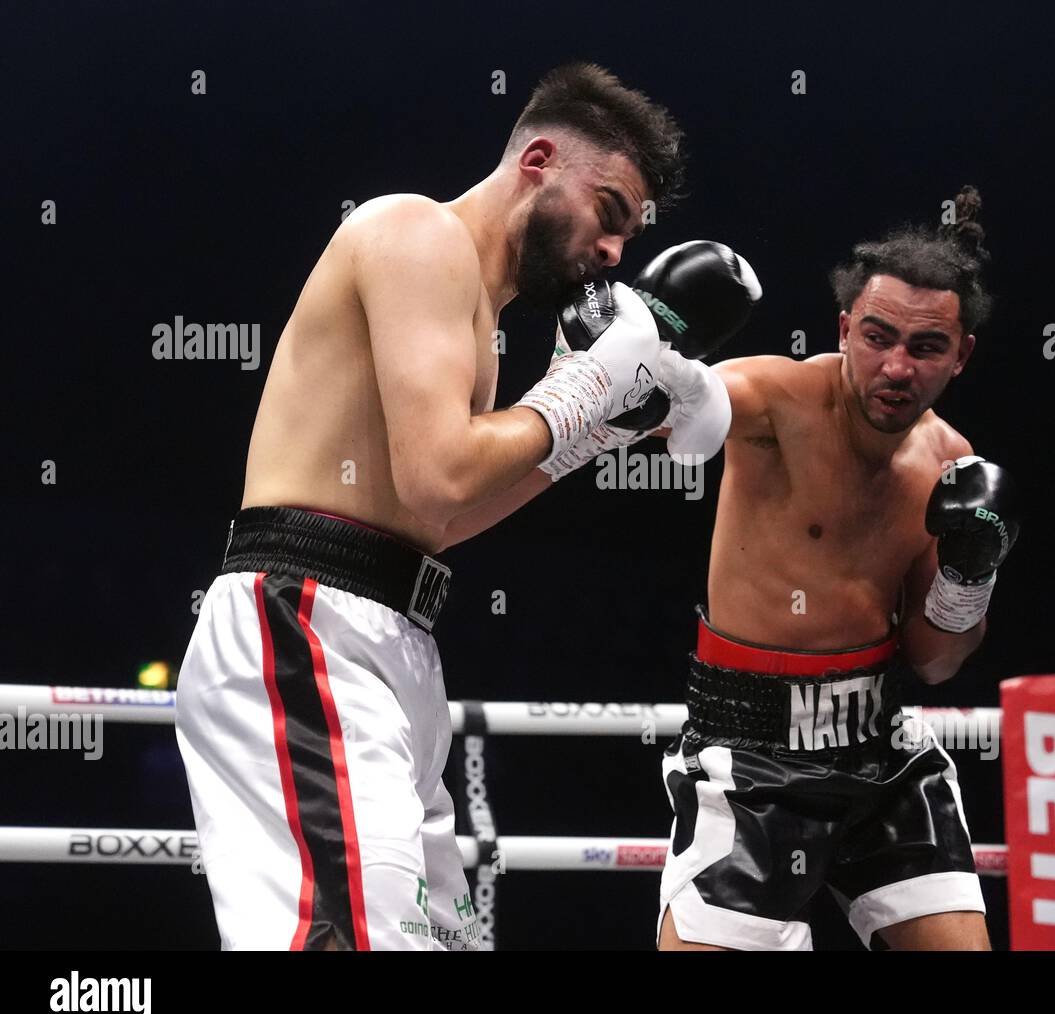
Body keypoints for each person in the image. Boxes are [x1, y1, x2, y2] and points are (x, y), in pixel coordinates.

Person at [174, 62, 699, 950]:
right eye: (609, 213)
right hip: (305, 622)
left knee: (427, 939)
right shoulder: (415, 233)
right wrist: (580, 392)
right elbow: (441, 476)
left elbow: (441, 521)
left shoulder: (479, 330)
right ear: (537, 158)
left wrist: (592, 430)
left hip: (386, 636)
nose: (615, 253)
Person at [657, 188, 1022, 951]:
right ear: (843, 329)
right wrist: (648, 340)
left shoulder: (952, 465)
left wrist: (970, 576)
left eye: (925, 348)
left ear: (961, 355)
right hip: (750, 748)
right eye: (878, 337)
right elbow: (667, 417)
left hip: (881, 747)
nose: (897, 365)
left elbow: (936, 658)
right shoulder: (775, 400)